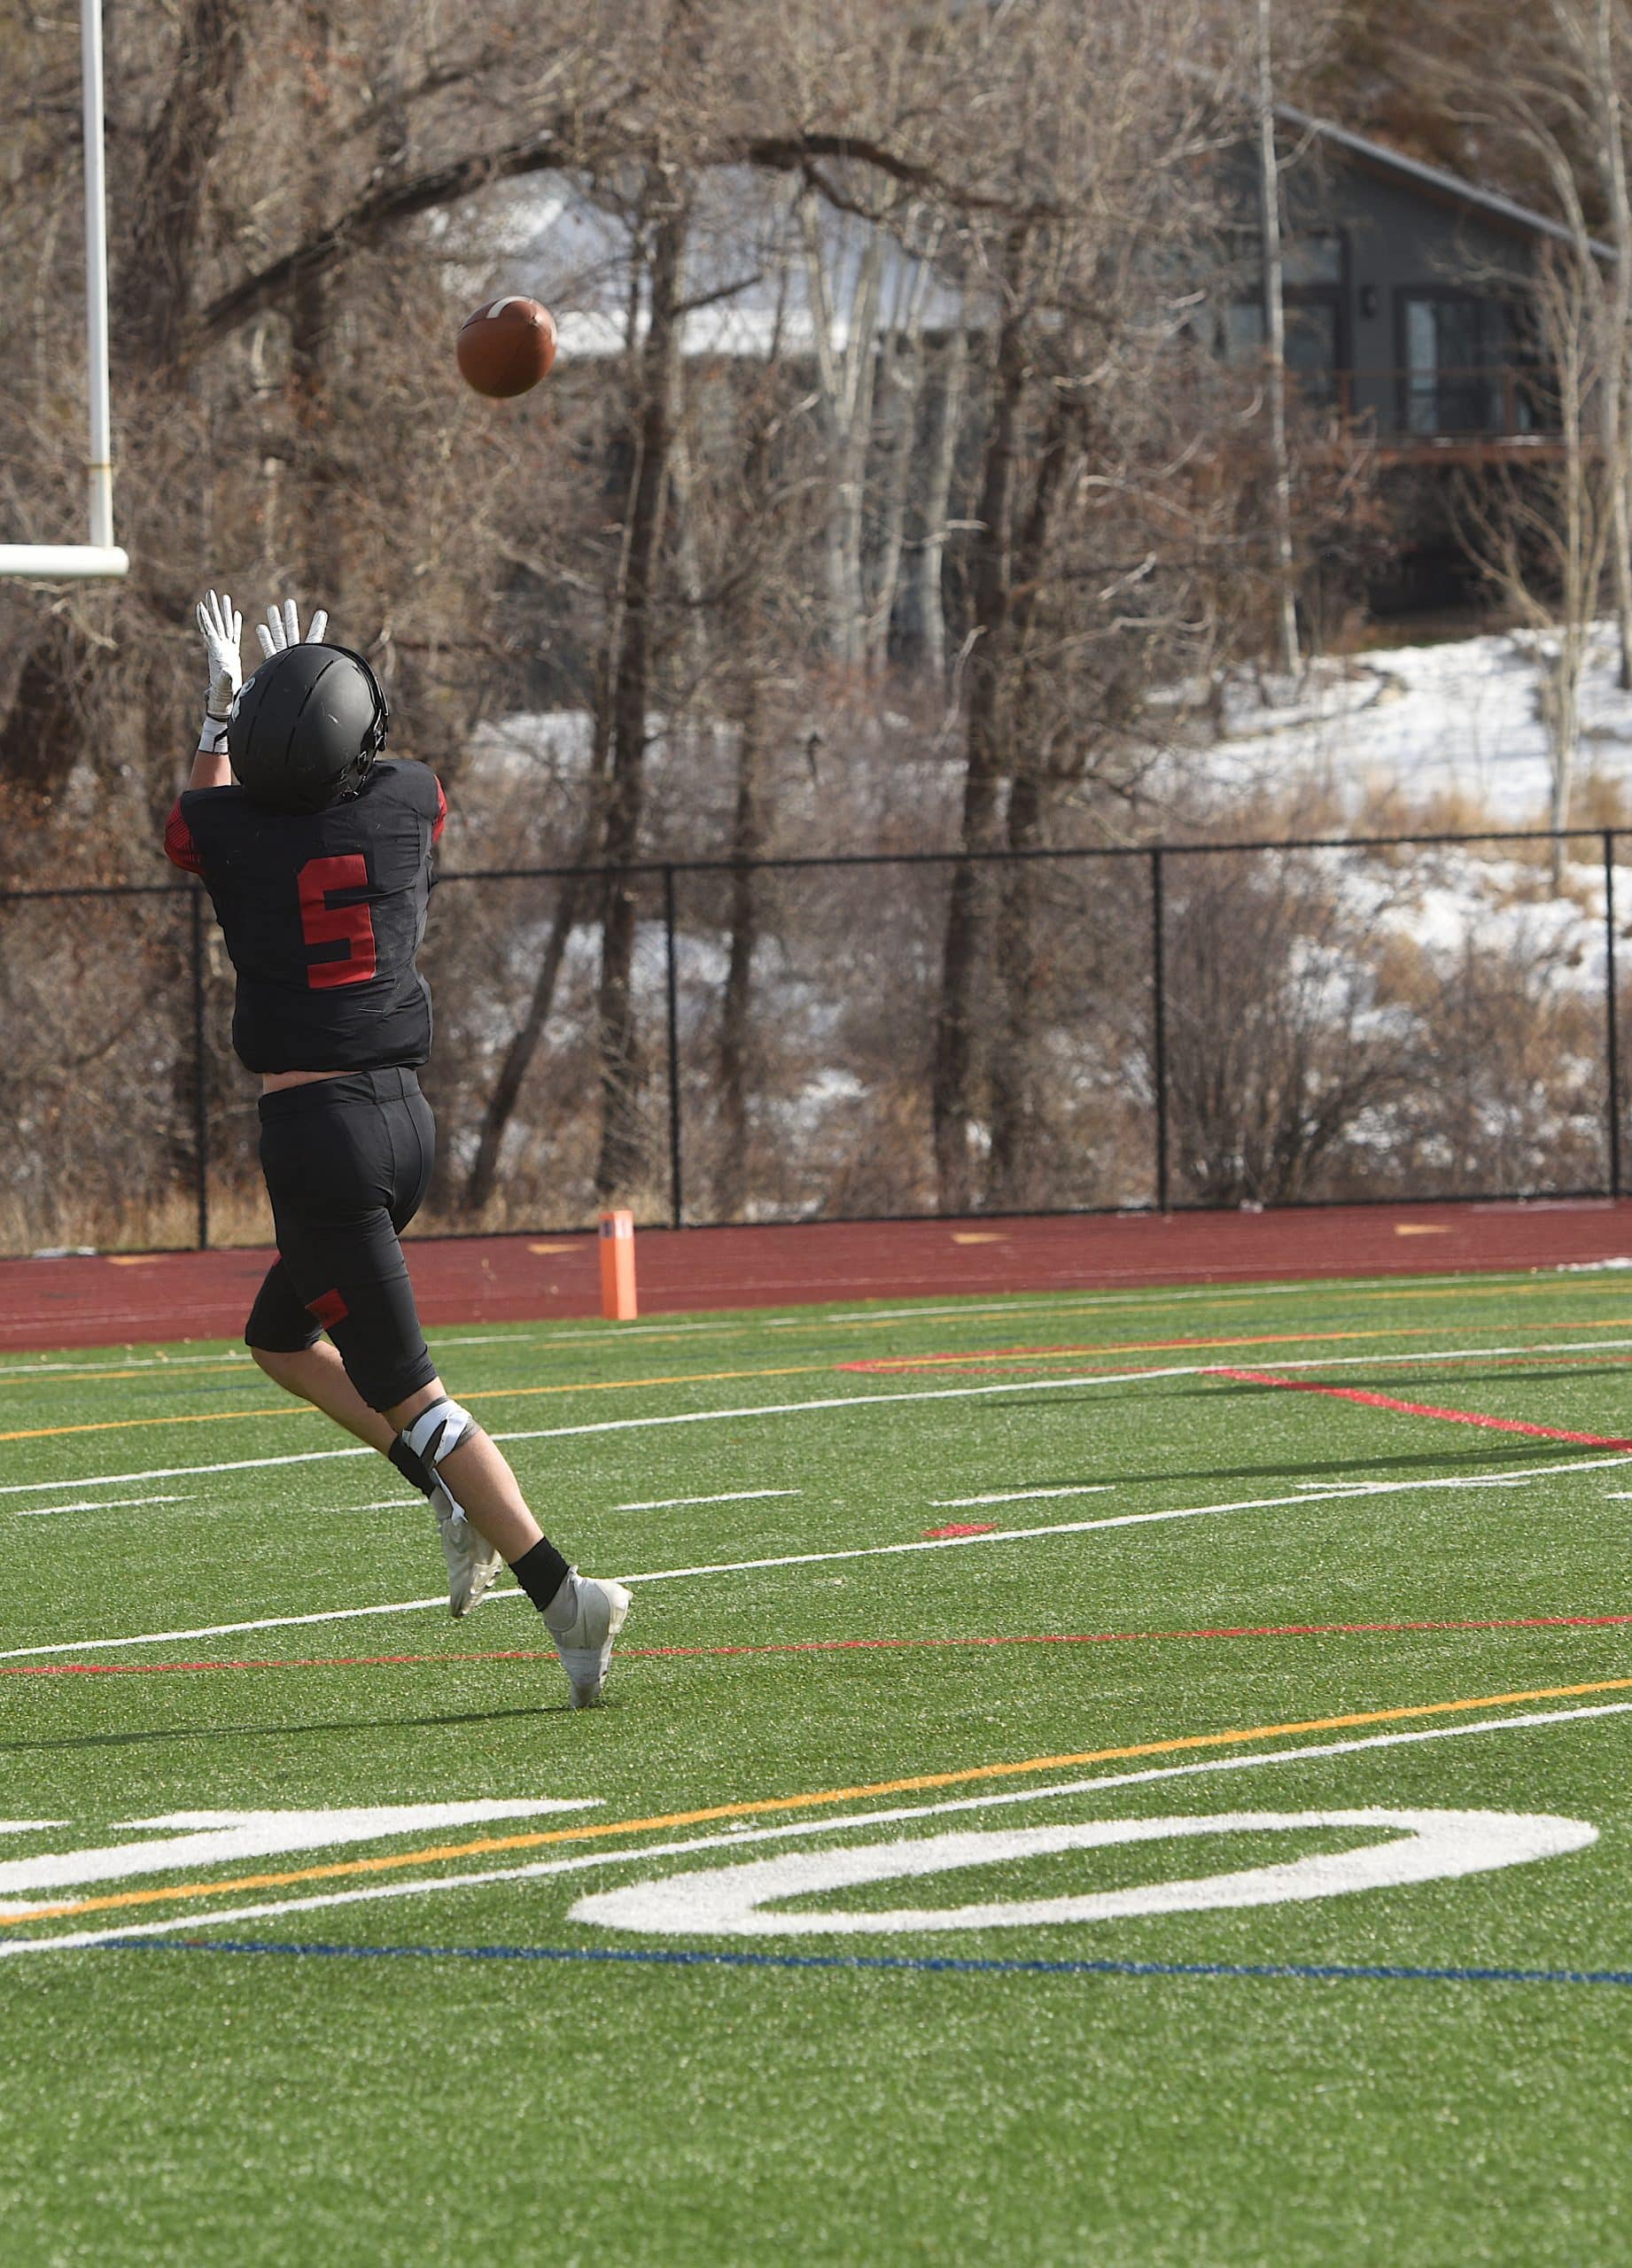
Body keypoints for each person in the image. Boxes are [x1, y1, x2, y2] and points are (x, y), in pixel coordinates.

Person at [163, 589, 629, 1707]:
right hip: (404, 1126)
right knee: (280, 1334)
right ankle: (439, 1487)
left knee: (416, 1393)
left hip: (319, 1140)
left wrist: (230, 708)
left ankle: (566, 1593)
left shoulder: (236, 834)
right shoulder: (408, 802)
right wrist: (309, 688)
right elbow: (383, 762)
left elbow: (193, 816)